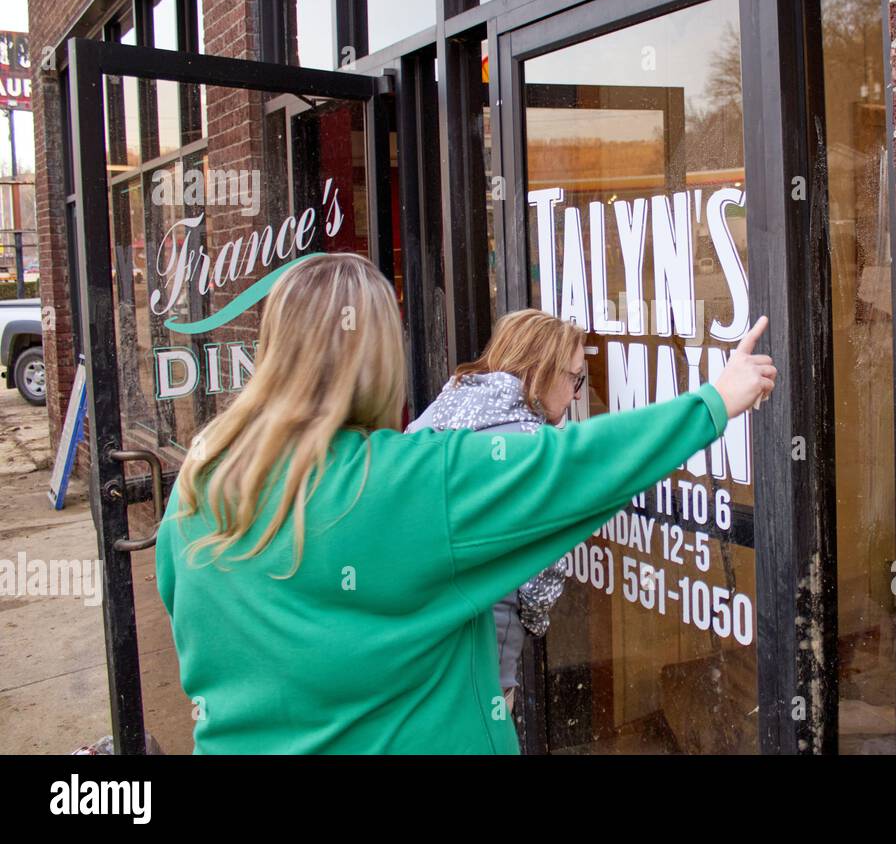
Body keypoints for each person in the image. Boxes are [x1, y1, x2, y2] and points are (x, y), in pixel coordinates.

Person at [154, 252, 776, 753]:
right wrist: (715, 401)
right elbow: (575, 468)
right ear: (377, 360)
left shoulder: (198, 485)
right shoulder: (406, 482)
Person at [405, 308, 587, 714]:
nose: (577, 394)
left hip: (412, 636)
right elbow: (540, 574)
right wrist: (533, 621)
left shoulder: (440, 409)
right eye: (576, 378)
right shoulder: (534, 445)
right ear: (543, 370)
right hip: (485, 653)